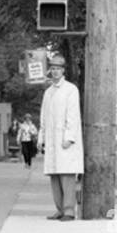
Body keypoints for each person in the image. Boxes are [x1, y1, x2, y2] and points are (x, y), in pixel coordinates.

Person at [39, 53, 84, 220]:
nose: (56, 72)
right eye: (53, 68)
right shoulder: (48, 92)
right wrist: (41, 138)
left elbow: (72, 115)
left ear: (63, 70)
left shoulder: (70, 90)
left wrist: (69, 137)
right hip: (51, 139)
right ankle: (59, 208)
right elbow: (43, 116)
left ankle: (69, 210)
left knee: (66, 174)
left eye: (58, 69)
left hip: (64, 139)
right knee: (54, 175)